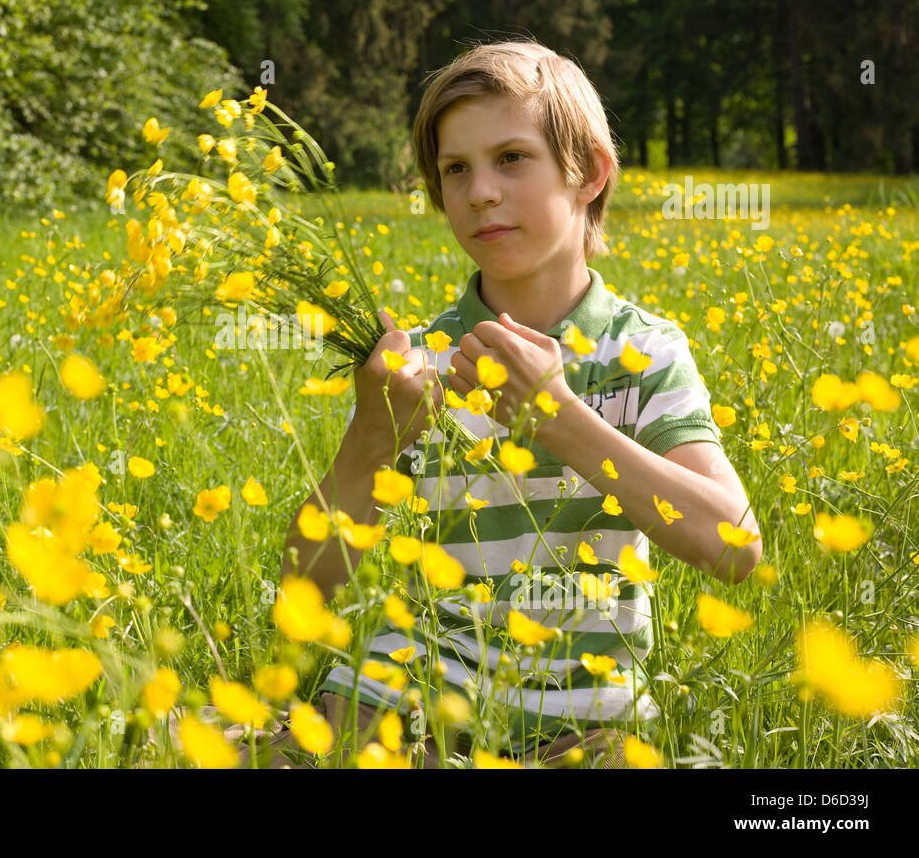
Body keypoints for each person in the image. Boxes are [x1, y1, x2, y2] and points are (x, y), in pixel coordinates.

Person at [277, 39, 765, 768]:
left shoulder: (647, 354)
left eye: (511, 158)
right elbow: (305, 591)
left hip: (584, 714)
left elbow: (734, 547)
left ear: (590, 172)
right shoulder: (419, 361)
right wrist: (371, 437)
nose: (479, 193)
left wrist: (558, 416)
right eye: (456, 170)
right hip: (405, 698)